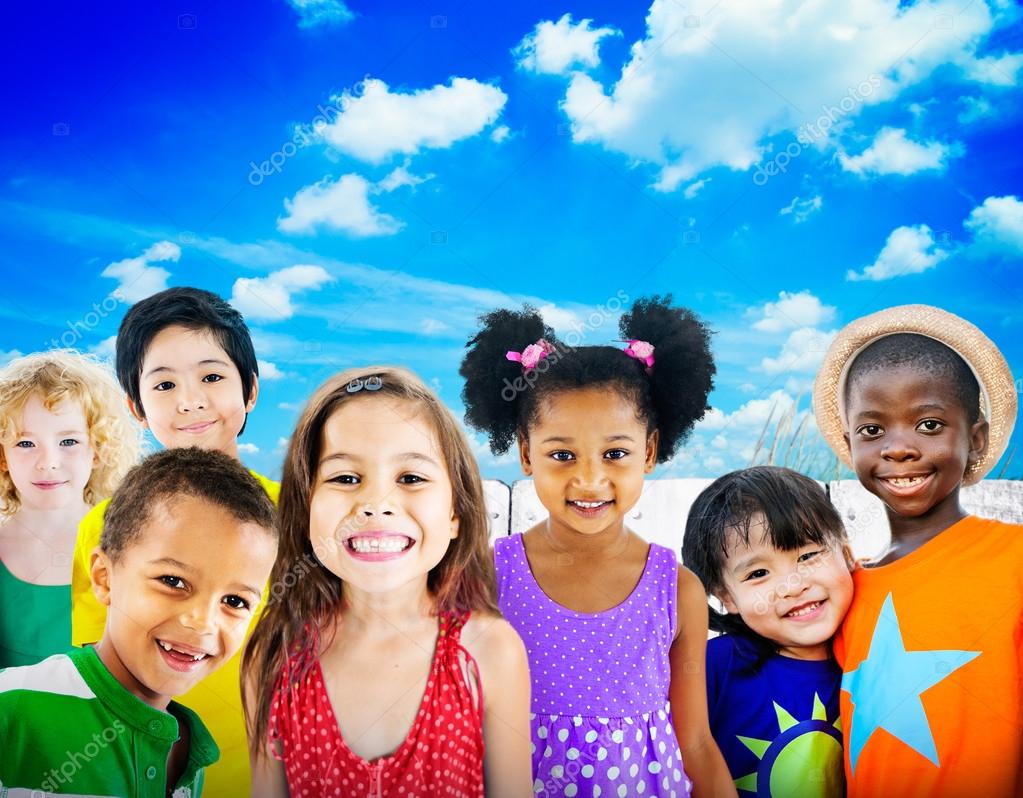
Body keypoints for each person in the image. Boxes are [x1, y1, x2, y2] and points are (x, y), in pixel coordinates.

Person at [460, 296, 734, 797]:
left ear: (648, 451)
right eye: (561, 454)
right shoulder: (489, 575)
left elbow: (695, 741)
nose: (589, 478)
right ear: (525, 453)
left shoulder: (677, 589)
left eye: (615, 453)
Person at [244, 367, 531, 798]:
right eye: (345, 478)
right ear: (305, 512)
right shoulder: (276, 652)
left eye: (411, 478)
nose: (376, 505)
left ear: (455, 514)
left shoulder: (490, 649)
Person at [69, 286, 278, 796]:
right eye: (163, 385)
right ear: (136, 407)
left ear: (249, 389)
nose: (190, 401)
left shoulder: (298, 512)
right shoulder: (104, 524)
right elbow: (96, 671)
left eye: (211, 376)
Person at [812, 304, 1021, 797]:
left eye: (928, 424)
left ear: (976, 439)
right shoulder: (843, 589)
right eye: (872, 430)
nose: (898, 448)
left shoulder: (1013, 559)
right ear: (849, 443)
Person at [0, 447, 278, 797]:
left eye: (235, 601)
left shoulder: (192, 753)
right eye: (173, 581)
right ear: (103, 578)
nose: (202, 623)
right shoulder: (10, 709)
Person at [682, 466, 854, 797]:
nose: (793, 586)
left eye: (808, 555)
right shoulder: (714, 666)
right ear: (726, 596)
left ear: (845, 553)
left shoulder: (873, 648)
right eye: (759, 573)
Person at [0, 350, 140, 667]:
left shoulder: (131, 548)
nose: (48, 462)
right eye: (25, 443)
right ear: (3, 456)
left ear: (97, 449)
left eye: (68, 442)